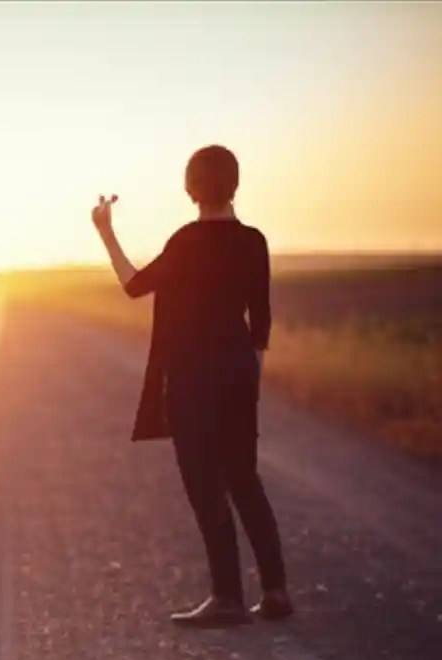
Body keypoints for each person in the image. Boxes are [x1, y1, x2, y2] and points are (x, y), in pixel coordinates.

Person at [91, 145, 293, 627]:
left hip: (192, 376)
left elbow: (134, 285)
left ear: (190, 190)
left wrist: (105, 231)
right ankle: (276, 591)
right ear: (235, 185)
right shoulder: (254, 241)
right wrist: (252, 374)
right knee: (245, 478)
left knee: (205, 484)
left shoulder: (186, 242)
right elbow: (260, 318)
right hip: (239, 370)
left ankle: (227, 598)